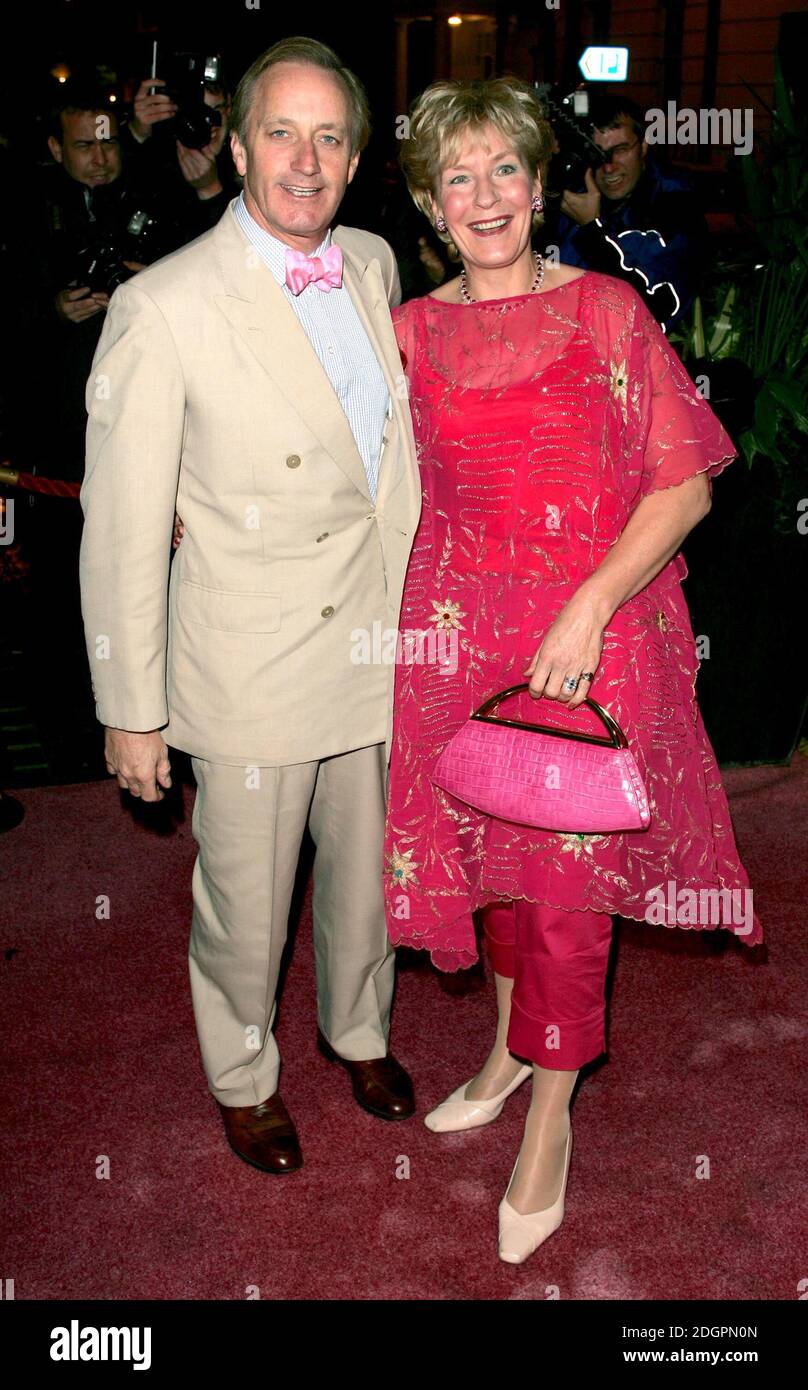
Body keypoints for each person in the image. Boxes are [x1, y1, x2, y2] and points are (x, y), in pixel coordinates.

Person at [384, 76, 763, 1264]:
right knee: (493, 866)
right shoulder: (411, 329)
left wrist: (590, 603)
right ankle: (504, 1047)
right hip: (460, 626)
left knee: (563, 886)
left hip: (596, 630)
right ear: (428, 202)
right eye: (459, 175)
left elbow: (688, 479)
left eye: (506, 168)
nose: (486, 194)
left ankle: (548, 1111)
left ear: (541, 183)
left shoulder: (604, 310)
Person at [79, 37, 421, 1176]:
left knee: (369, 875)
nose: (305, 159)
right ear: (236, 148)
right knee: (248, 903)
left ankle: (359, 1030)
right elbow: (121, 528)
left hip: (376, 646)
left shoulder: (374, 261)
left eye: (331, 136)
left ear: (360, 156)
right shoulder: (161, 304)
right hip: (251, 667)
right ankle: (243, 1071)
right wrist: (132, 707)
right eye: (282, 131)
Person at [549, 94, 708, 329]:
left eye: (621, 149)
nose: (609, 166)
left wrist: (592, 233)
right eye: (597, 154)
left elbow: (654, 314)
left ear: (643, 146)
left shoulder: (674, 207)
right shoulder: (574, 197)